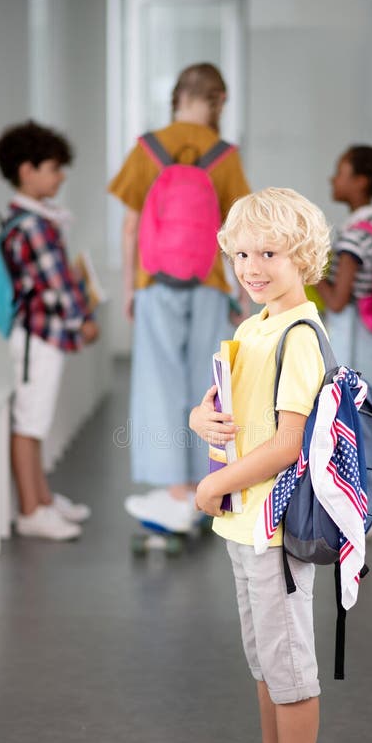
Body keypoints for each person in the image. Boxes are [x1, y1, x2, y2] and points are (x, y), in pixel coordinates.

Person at [188, 187, 332, 743]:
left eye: (269, 252)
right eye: (242, 252)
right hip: (245, 523)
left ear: (301, 255)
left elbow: (286, 444)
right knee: (265, 661)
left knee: (291, 667)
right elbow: (227, 406)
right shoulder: (254, 326)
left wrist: (212, 483)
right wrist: (200, 418)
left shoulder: (299, 332)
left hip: (273, 526)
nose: (252, 265)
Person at [107, 62, 251, 533]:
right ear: (217, 101)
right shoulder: (225, 155)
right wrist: (242, 291)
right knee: (207, 384)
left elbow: (130, 226)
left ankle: (171, 494)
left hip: (156, 282)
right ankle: (199, 489)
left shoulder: (148, 148)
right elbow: (237, 232)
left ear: (177, 96)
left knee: (158, 380)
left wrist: (129, 288)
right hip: (208, 283)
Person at [0, 119, 99, 541]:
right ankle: (31, 509)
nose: (61, 176)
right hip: (39, 336)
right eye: (54, 168)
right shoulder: (35, 224)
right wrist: (83, 319)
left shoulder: (31, 218)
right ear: (27, 171)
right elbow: (56, 283)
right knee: (29, 423)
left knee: (36, 421)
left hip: (39, 334)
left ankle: (42, 499)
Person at [317, 145, 372, 404]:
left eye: (340, 173)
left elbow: (337, 301)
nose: (332, 179)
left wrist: (309, 270)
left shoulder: (354, 237)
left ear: (360, 182)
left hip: (353, 346)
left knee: (358, 422)